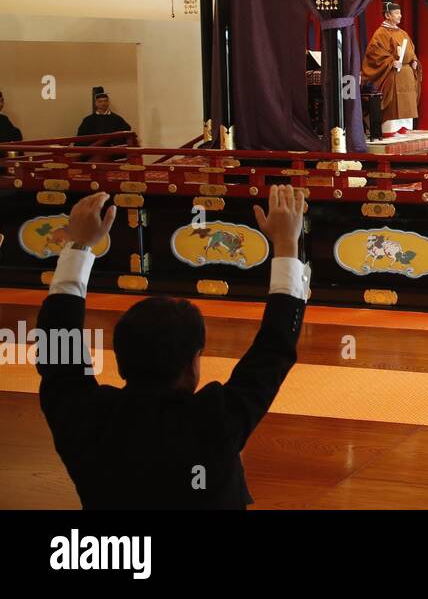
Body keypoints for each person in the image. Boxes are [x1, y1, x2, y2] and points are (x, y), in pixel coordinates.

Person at [36, 185, 309, 509]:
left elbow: (58, 352)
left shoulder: (87, 417)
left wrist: (78, 245)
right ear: (194, 364)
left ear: (121, 363)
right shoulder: (213, 420)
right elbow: (275, 347)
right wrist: (287, 242)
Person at [361, 1, 422, 136]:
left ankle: (404, 126)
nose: (400, 16)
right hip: (393, 73)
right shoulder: (380, 33)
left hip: (406, 72)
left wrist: (414, 60)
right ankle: (390, 129)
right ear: (388, 15)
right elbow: (374, 53)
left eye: (400, 13)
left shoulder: (403, 33)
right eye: (396, 13)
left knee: (407, 102)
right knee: (395, 102)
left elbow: (411, 50)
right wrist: (390, 61)